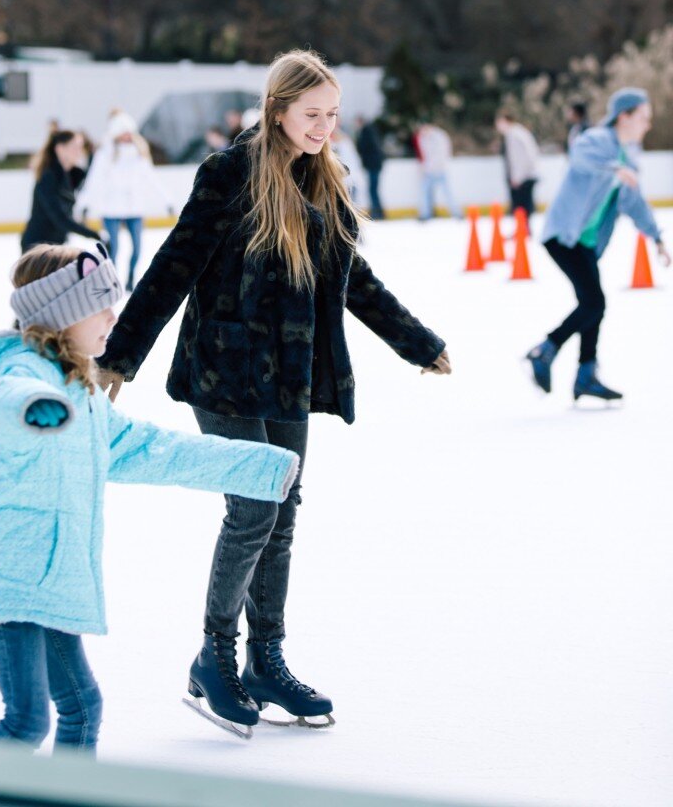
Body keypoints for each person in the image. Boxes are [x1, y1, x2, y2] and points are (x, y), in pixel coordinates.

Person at [96, 50, 451, 736]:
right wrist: (121, 355)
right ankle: (214, 658)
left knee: (282, 511)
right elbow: (174, 266)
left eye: (332, 116)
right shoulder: (229, 174)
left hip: (290, 373)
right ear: (278, 108)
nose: (325, 127)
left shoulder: (326, 180)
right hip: (224, 368)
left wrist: (418, 341)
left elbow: (357, 282)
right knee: (254, 506)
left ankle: (266, 659)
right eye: (312, 115)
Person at [0, 242, 299, 752]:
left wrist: (259, 466)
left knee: (82, 708)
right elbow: (3, 398)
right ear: (63, 316)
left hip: (50, 584)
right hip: (10, 579)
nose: (114, 315)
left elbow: (157, 450)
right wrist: (35, 407)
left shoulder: (84, 396)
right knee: (25, 720)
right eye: (100, 305)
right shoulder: (22, 373)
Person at [526, 87, 670, 402]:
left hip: (587, 241)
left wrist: (656, 236)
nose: (647, 125)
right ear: (624, 116)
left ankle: (585, 374)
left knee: (593, 304)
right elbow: (580, 156)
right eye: (643, 118)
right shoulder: (597, 140)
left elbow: (634, 202)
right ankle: (546, 350)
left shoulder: (630, 155)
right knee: (594, 302)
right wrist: (613, 167)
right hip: (564, 236)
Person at [76, 111, 171, 290]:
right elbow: (93, 180)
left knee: (137, 249)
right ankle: (112, 281)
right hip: (111, 209)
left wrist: (167, 201)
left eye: (130, 132)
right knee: (113, 249)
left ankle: (130, 279)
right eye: (123, 131)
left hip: (134, 208)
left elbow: (152, 179)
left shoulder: (138, 154)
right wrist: (84, 204)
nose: (127, 136)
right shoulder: (105, 154)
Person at [20, 129, 103, 254]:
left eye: (81, 147)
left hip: (56, 245)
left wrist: (93, 154)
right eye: (75, 147)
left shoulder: (71, 174)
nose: (80, 152)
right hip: (37, 248)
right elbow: (61, 219)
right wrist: (95, 235)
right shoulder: (48, 177)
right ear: (60, 149)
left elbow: (91, 179)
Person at [494, 111, 540, 227]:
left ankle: (522, 230)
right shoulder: (520, 131)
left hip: (523, 176)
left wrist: (516, 177)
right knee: (525, 205)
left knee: (520, 206)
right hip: (529, 174)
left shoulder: (512, 135)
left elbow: (517, 158)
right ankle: (523, 229)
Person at [414, 122, 462, 221]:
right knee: (424, 192)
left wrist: (432, 166)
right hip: (428, 171)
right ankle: (425, 214)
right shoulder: (423, 138)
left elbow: (443, 153)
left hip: (440, 170)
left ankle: (457, 213)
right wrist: (424, 167)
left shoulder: (439, 136)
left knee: (448, 192)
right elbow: (424, 154)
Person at [354, 115, 385, 219]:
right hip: (374, 165)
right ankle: (377, 211)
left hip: (373, 165)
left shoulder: (366, 132)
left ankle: (378, 212)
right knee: (373, 189)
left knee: (372, 189)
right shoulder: (369, 131)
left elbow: (365, 147)